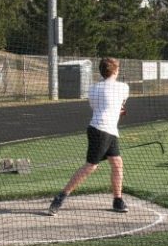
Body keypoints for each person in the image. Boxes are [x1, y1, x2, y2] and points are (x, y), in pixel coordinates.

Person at [48, 57, 130, 215]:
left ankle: (117, 200)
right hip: (102, 130)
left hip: (105, 129)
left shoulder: (93, 89)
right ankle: (60, 197)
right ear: (114, 71)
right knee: (91, 166)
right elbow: (119, 106)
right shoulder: (123, 87)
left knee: (117, 162)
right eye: (117, 68)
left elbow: (98, 107)